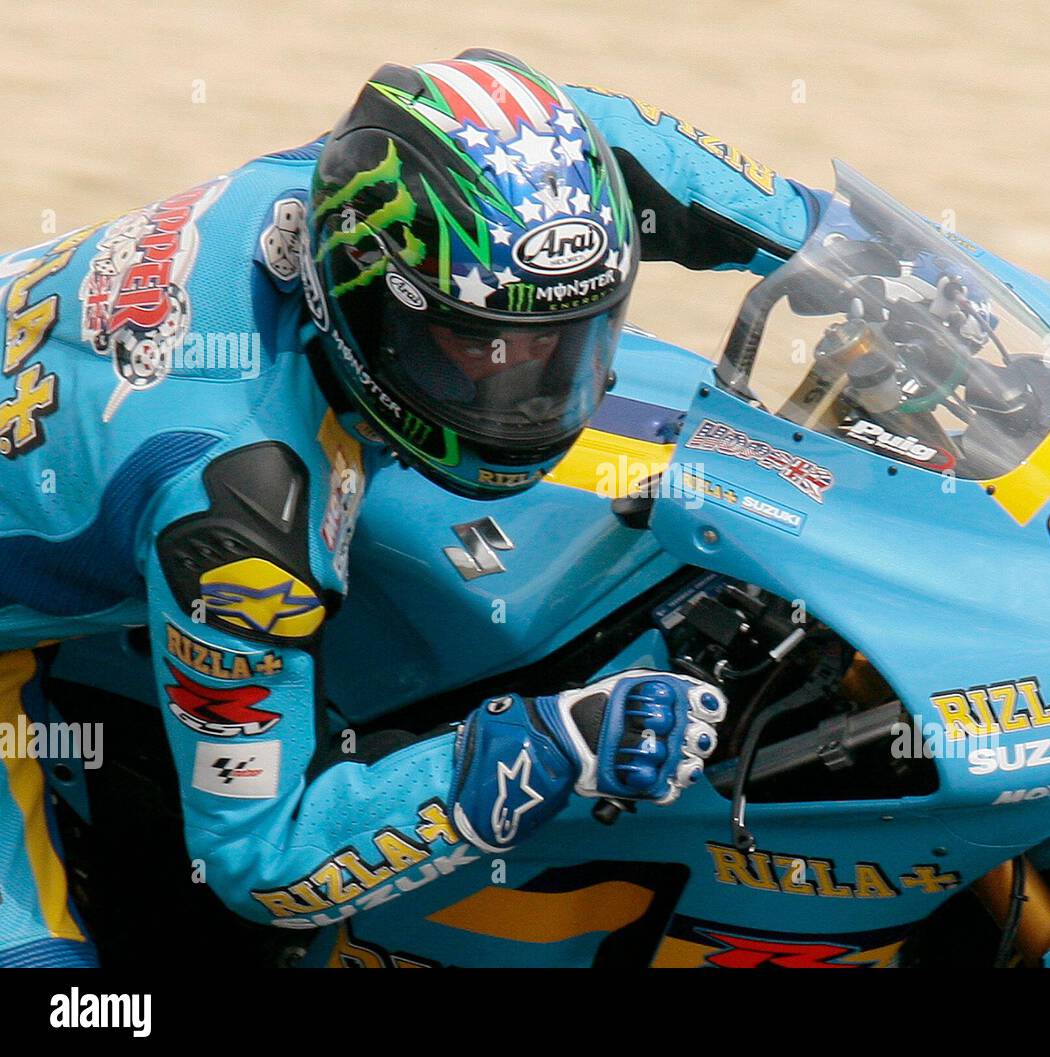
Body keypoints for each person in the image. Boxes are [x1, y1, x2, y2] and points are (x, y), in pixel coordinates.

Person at [0, 50, 817, 966]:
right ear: (367, 302)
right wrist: (543, 750)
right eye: (477, 344)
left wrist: (826, 242)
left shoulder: (385, 184)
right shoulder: (244, 516)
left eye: (566, 339)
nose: (535, 385)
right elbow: (261, 865)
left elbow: (569, 138)